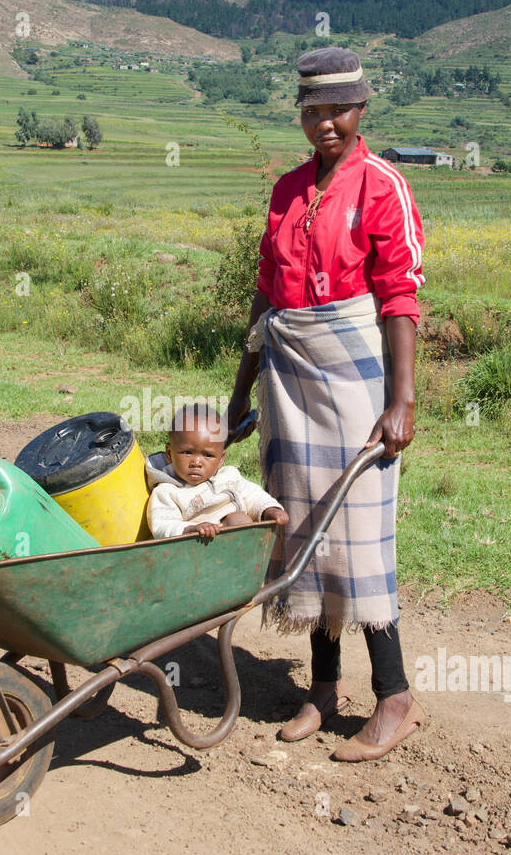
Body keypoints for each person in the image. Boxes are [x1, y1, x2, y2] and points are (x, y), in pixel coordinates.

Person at [226, 46, 426, 762]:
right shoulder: (286, 189)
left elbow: (400, 297)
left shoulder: (383, 185)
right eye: (313, 112)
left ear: (362, 108)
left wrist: (401, 400)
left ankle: (395, 694)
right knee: (303, 525)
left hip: (354, 383)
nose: (326, 124)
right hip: (287, 378)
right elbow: (267, 293)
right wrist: (240, 391)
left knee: (358, 536)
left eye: (338, 110)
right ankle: (322, 687)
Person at [146, 403, 289, 540]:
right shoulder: (167, 492)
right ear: (169, 454)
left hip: (235, 545)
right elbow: (162, 525)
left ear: (221, 459)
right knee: (239, 520)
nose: (196, 462)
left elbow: (252, 495)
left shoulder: (229, 477)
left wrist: (269, 510)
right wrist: (190, 530)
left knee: (239, 520)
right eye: (187, 452)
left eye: (207, 455)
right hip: (192, 549)